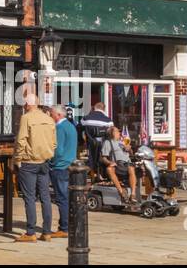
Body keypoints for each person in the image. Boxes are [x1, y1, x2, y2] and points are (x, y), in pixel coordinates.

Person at [13, 95, 56, 243]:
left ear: (27, 104)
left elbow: (21, 140)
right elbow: (54, 142)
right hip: (44, 161)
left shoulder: (27, 118)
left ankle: (31, 232)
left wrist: (18, 159)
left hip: (29, 162)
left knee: (29, 198)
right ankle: (47, 232)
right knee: (45, 198)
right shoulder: (49, 119)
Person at [47, 105, 76, 239]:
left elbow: (57, 150)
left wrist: (51, 162)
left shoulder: (60, 127)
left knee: (62, 198)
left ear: (58, 115)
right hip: (69, 165)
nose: (50, 115)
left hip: (60, 166)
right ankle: (69, 225)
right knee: (67, 197)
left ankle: (64, 228)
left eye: (51, 113)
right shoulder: (71, 126)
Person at [99, 126, 137, 202]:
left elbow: (132, 155)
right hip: (117, 165)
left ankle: (133, 195)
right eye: (117, 131)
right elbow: (103, 158)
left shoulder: (123, 141)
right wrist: (110, 162)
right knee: (109, 169)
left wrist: (129, 150)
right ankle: (121, 192)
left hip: (127, 164)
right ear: (112, 133)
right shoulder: (108, 142)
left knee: (131, 168)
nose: (119, 133)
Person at [80, 102, 113, 176]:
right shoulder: (108, 120)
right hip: (103, 147)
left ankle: (91, 174)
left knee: (90, 160)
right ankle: (100, 174)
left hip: (90, 146)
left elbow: (80, 129)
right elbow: (111, 134)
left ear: (94, 108)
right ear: (103, 109)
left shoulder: (85, 118)